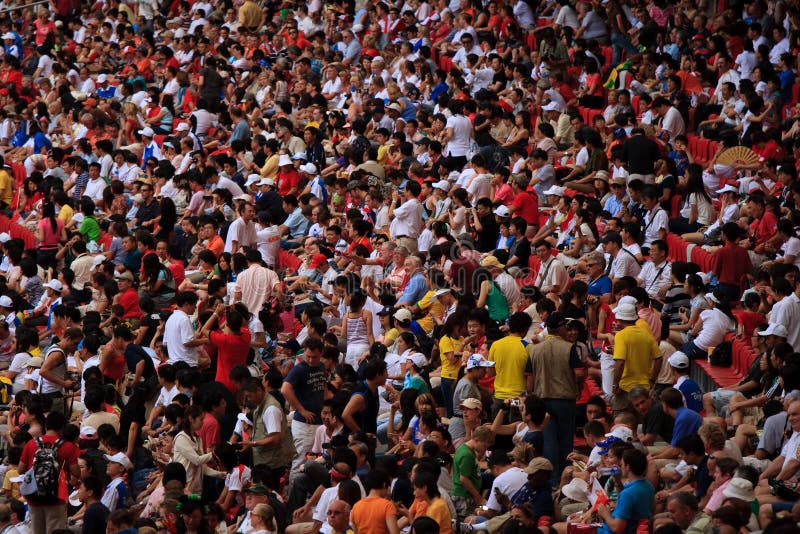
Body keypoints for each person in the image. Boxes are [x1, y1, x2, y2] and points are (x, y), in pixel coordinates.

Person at [529, 312, 584, 478]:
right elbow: (580, 373)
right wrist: (578, 389)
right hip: (565, 400)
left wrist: (531, 398)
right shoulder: (569, 348)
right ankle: (564, 478)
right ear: (560, 328)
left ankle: (552, 481)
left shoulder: (535, 349)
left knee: (549, 441)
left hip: (542, 401)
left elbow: (529, 379)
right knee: (566, 441)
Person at [281, 337, 326, 475]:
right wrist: (302, 410)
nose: (311, 360)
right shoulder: (299, 369)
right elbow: (285, 389)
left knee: (315, 459)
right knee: (300, 461)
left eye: (315, 357)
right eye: (308, 356)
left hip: (319, 422)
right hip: (304, 424)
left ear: (321, 354)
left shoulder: (321, 366)